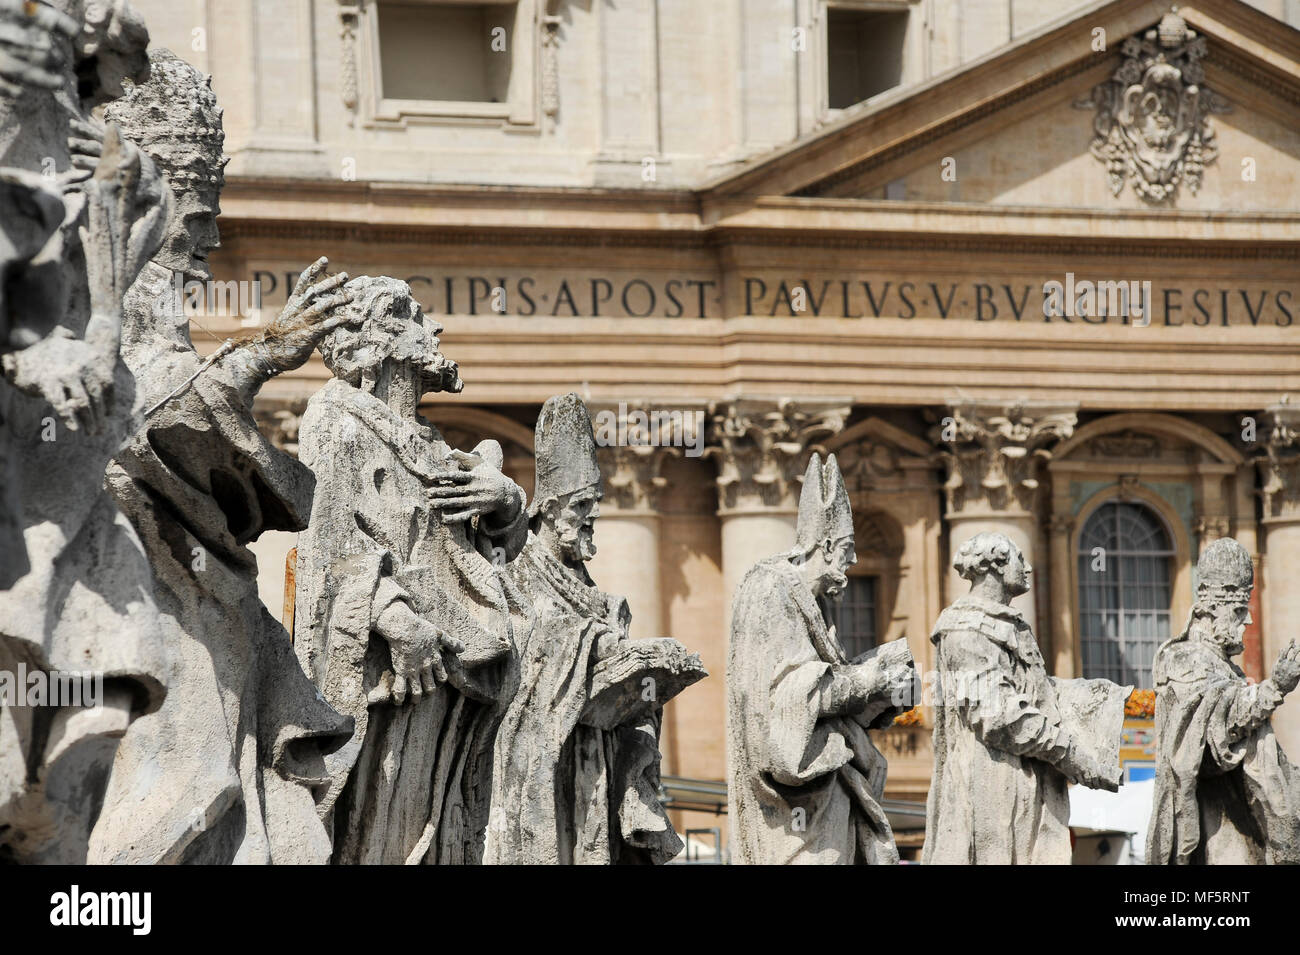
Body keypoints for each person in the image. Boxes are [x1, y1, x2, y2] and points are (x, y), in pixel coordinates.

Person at [87, 49, 354, 864]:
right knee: (179, 787)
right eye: (194, 211)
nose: (210, 235)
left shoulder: (154, 301)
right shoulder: (93, 296)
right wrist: (259, 355)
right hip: (125, 589)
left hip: (198, 595)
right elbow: (137, 411)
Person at [295, 275, 531, 864]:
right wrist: (397, 620)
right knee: (379, 825)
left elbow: (497, 561)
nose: (436, 329)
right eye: (414, 316)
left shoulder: (429, 446)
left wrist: (504, 504)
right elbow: (331, 545)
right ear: (379, 341)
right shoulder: (339, 423)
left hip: (456, 665)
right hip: (389, 669)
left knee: (443, 817)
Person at [487, 393, 702, 864]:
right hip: (536, 767)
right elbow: (517, 662)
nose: (594, 515)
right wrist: (600, 650)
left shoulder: (596, 593)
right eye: (583, 503)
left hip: (595, 763)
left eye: (597, 503)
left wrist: (644, 682)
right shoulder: (515, 572)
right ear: (547, 508)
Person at [727, 452, 916, 864]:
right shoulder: (771, 588)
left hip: (830, 789)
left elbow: (822, 688)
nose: (852, 563)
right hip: (794, 794)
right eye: (847, 551)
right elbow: (790, 695)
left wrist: (883, 691)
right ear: (827, 545)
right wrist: (873, 680)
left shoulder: (817, 604)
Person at [925, 531, 1125, 864]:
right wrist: (1069, 752)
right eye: (1020, 559)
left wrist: (1090, 699)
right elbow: (996, 716)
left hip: (1024, 777)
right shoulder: (966, 629)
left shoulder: (1007, 625)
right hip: (992, 783)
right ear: (997, 565)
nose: (1028, 567)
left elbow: (1030, 694)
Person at [1146, 537, 1300, 864]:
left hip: (1235, 813)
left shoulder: (1223, 665)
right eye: (1240, 610)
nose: (1249, 622)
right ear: (1215, 607)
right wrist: (1276, 687)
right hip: (1211, 824)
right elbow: (1221, 726)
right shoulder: (1184, 659)